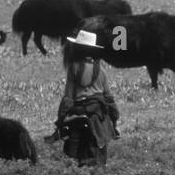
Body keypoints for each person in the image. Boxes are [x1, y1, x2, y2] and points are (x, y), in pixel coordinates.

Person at [44, 29, 120, 164]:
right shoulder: (101, 71)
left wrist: (60, 121)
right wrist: (115, 120)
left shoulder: (73, 68)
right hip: (96, 113)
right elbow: (108, 98)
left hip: (77, 111)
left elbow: (68, 97)